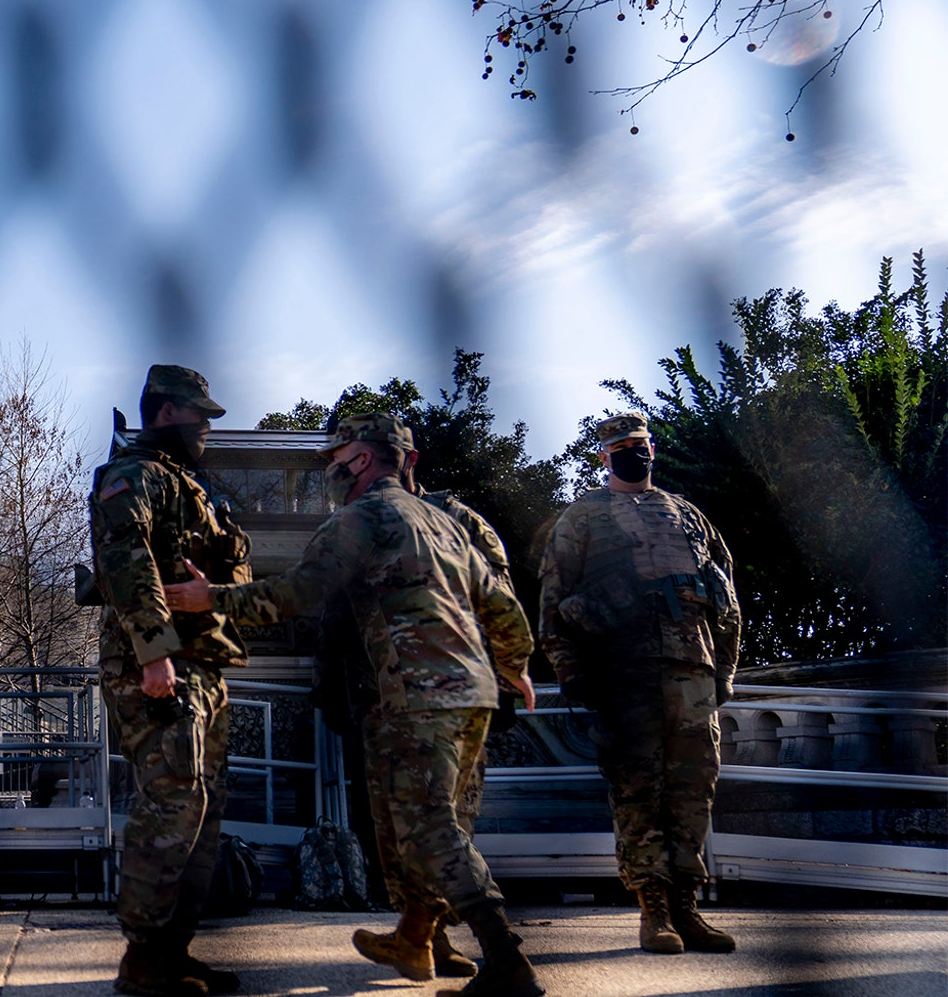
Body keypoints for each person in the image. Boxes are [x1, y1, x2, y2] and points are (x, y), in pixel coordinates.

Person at [167, 413, 541, 997]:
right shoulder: (444, 525)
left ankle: (506, 956)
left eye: (336, 462)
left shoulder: (360, 519)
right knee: (410, 825)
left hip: (414, 696)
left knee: (431, 827)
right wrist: (514, 669)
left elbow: (293, 593)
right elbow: (502, 606)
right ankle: (416, 940)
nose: (331, 474)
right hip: (472, 695)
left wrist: (207, 598)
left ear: (362, 460)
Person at [323, 423, 532, 981]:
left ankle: (471, 947)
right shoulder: (352, 519)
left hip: (443, 696)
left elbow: (495, 599)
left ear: (406, 457)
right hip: (377, 697)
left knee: (444, 822)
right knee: (396, 831)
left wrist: (507, 676)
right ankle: (421, 939)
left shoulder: (456, 520)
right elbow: (334, 614)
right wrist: (331, 688)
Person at [539, 412, 740, 955]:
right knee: (636, 789)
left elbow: (724, 596)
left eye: (642, 444)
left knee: (693, 787)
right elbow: (555, 602)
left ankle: (687, 907)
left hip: (691, 669)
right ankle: (654, 912)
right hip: (622, 674)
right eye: (623, 446)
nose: (635, 453)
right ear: (604, 456)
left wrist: (724, 670)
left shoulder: (688, 515)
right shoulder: (580, 519)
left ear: (654, 448)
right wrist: (570, 669)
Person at [88, 364, 252, 997]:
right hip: (156, 668)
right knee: (172, 804)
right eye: (199, 417)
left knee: (202, 812)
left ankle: (173, 951)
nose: (207, 429)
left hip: (204, 666)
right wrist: (155, 653)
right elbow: (125, 560)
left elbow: (237, 571)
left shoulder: (197, 489)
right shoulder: (132, 476)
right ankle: (143, 958)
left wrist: (214, 593)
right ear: (165, 413)